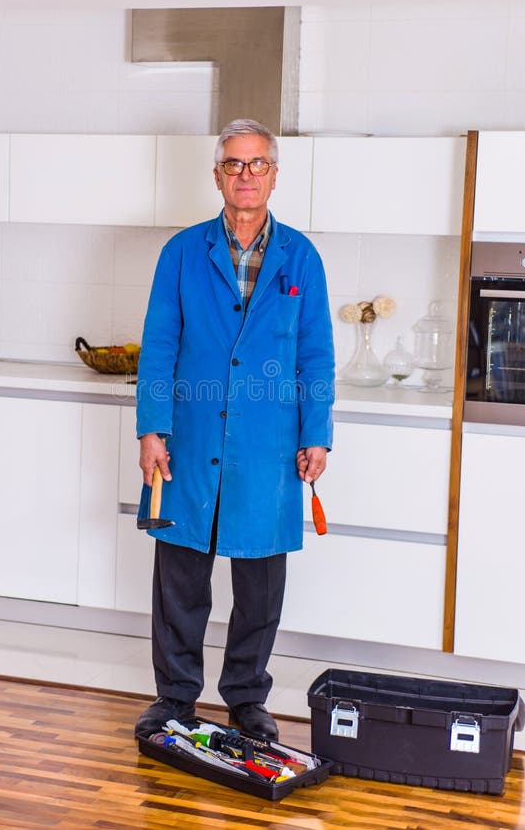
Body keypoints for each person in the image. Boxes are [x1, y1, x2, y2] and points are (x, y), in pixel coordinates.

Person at [134, 118, 335, 742]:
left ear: (273, 174)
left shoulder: (301, 255)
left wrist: (316, 433)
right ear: (217, 175)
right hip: (189, 438)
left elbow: (316, 354)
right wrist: (151, 428)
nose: (245, 175)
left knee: (259, 585)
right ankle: (174, 699)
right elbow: (160, 344)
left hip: (268, 444)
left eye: (257, 164)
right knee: (181, 579)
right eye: (233, 164)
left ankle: (247, 699)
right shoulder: (182, 251)